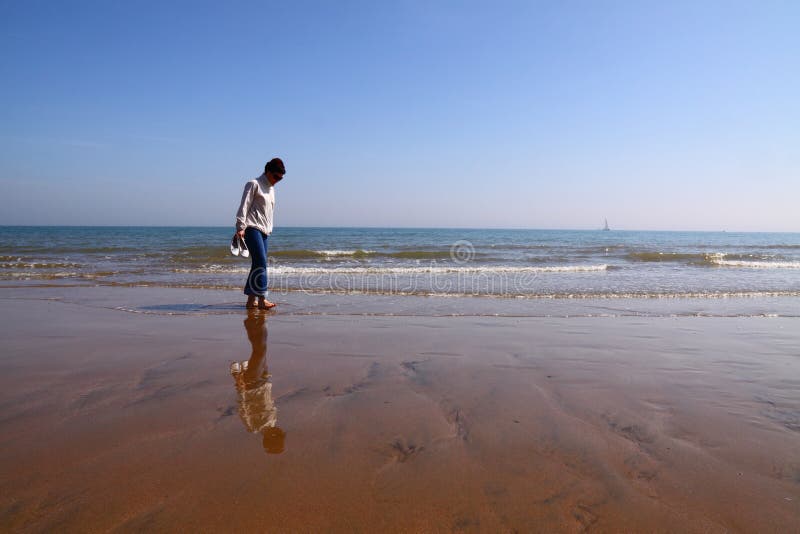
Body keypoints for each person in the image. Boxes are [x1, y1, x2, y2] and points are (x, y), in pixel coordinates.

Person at [235, 158, 285, 310]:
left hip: (264, 231)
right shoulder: (253, 184)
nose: (277, 181)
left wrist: (269, 229)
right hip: (251, 228)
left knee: (258, 264)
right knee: (261, 263)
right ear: (268, 172)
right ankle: (262, 300)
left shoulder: (271, 189)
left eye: (280, 179)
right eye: (276, 177)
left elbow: (269, 213)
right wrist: (240, 227)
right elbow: (244, 206)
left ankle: (251, 300)